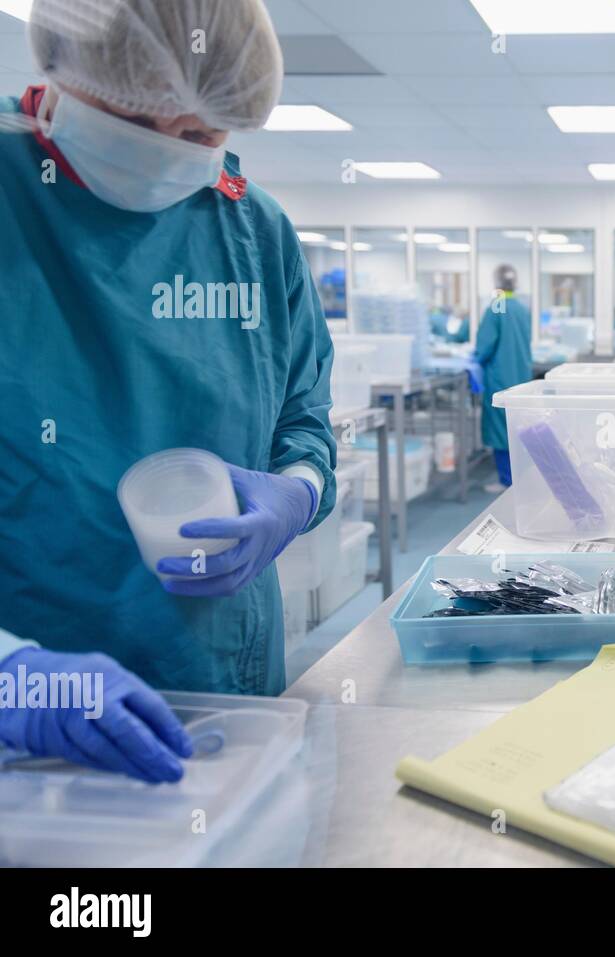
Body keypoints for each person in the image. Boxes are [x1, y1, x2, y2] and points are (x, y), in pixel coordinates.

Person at [0, 0, 336, 780]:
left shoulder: (252, 233)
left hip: (225, 682)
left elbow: (303, 411)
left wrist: (298, 488)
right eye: (141, 123)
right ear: (67, 77)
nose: (171, 153)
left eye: (203, 135)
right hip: (30, 719)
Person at [475, 264, 533, 493]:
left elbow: (487, 343)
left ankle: (507, 480)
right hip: (520, 374)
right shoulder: (520, 307)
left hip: (501, 375)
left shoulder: (498, 304)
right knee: (517, 425)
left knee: (501, 427)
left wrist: (476, 358)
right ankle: (520, 475)